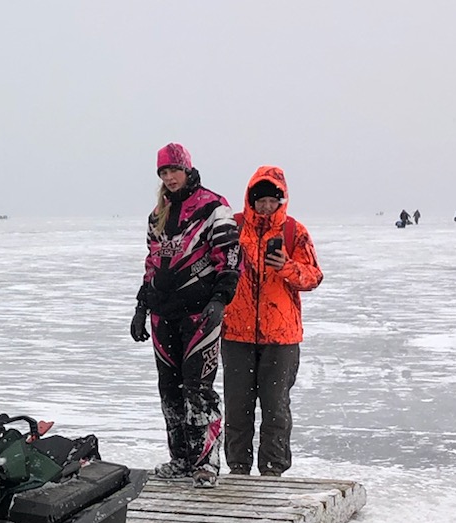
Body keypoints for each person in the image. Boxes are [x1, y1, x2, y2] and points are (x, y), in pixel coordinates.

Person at [130, 143, 239, 484]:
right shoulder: (157, 214)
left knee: (198, 389)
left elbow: (231, 256)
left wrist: (220, 299)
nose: (169, 177)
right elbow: (152, 264)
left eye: (173, 170)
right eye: (163, 173)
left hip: (199, 314)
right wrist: (140, 306)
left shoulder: (213, 207)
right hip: (163, 314)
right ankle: (180, 459)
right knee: (170, 390)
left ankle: (206, 462)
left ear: (187, 170)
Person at [222, 167, 322, 478]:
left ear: (281, 200)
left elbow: (313, 276)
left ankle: (272, 469)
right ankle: (238, 467)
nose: (266, 207)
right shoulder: (233, 228)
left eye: (271, 200)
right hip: (236, 334)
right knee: (238, 407)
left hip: (281, 337)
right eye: (260, 200)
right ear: (250, 200)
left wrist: (287, 267)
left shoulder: (294, 231)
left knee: (275, 407)